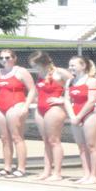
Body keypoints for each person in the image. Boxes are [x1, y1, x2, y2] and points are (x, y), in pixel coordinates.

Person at [0, 48, 35, 177]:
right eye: (1, 58)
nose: (4, 60)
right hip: (0, 106)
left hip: (16, 104)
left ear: (14, 58)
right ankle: (7, 167)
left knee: (17, 137)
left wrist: (26, 106)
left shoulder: (21, 71)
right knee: (4, 138)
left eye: (7, 57)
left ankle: (21, 168)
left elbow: (32, 90)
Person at [29, 52, 72, 182]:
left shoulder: (60, 73)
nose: (33, 68)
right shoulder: (40, 74)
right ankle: (46, 171)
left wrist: (63, 100)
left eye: (35, 65)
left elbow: (77, 86)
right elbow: (38, 90)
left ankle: (57, 173)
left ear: (43, 63)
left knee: (54, 140)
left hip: (54, 108)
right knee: (46, 141)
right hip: (41, 108)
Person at [66, 56, 96, 184]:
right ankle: (86, 174)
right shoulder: (70, 81)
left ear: (83, 66)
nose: (71, 68)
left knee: (92, 146)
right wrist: (72, 116)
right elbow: (66, 100)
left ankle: (94, 176)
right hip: (75, 115)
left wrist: (79, 116)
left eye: (74, 65)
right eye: (70, 65)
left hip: (89, 115)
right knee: (82, 147)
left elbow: (92, 100)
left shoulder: (91, 80)